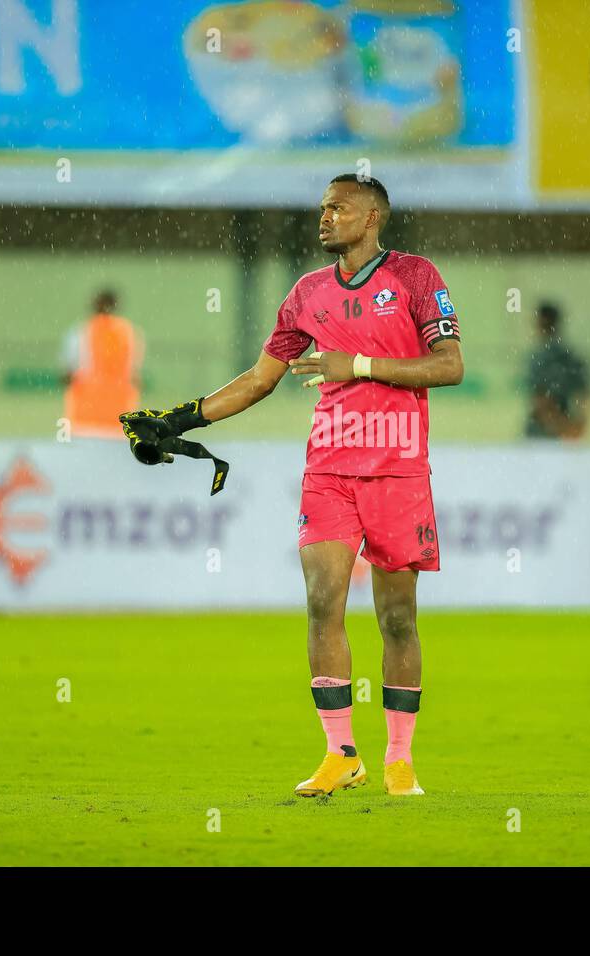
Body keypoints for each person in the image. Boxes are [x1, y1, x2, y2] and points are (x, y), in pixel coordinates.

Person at [118, 175, 463, 797]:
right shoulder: (307, 294)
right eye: (322, 207)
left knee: (397, 618)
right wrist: (177, 419)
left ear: (374, 216)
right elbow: (258, 379)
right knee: (323, 600)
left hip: (399, 470)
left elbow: (450, 365)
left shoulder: (415, 278)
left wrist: (356, 365)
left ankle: (400, 759)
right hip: (329, 469)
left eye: (338, 207)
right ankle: (340, 754)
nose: (325, 216)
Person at [61, 290, 144, 439]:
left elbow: (67, 376)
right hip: (121, 422)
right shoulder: (130, 334)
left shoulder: (80, 332)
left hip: (84, 422)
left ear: (93, 306)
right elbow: (135, 376)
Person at [525, 301, 590, 439]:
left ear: (541, 322)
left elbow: (540, 401)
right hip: (564, 437)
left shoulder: (539, 358)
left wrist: (559, 428)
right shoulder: (572, 357)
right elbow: (585, 400)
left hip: (540, 437)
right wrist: (573, 431)